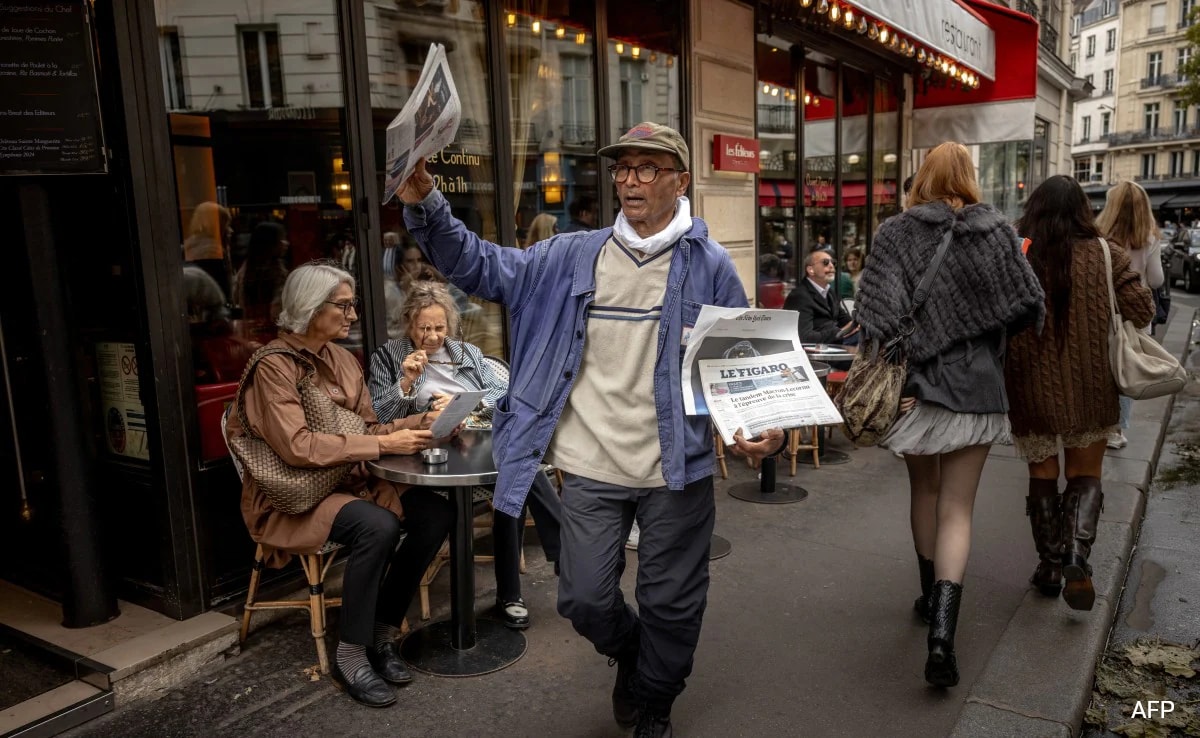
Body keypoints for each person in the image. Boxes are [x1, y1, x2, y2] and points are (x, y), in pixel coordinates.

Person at [396, 121, 783, 737]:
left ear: (681, 181)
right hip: (592, 465)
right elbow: (480, 266)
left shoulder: (711, 266)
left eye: (648, 168)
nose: (630, 179)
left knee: (671, 603)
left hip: (674, 470)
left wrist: (763, 431)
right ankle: (633, 653)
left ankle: (654, 700)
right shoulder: (571, 254)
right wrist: (427, 203)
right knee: (581, 596)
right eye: (622, 168)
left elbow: (746, 370)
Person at [854, 142, 1045, 688]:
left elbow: (878, 317)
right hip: (979, 387)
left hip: (919, 388)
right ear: (969, 178)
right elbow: (1027, 308)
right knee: (959, 509)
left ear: (923, 177)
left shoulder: (897, 232)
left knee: (925, 494)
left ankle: (925, 596)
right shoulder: (1000, 236)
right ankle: (943, 635)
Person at [227, 262, 454, 708]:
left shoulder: (344, 359)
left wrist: (422, 422)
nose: (352, 315)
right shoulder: (273, 367)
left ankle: (382, 632)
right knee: (378, 527)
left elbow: (371, 426)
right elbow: (296, 446)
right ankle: (350, 655)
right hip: (295, 494)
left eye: (352, 306)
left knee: (437, 514)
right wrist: (385, 442)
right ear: (311, 308)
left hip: (348, 480)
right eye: (344, 306)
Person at [368, 281, 563, 629]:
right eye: (423, 327)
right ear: (409, 324)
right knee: (516, 470)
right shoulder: (388, 356)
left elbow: (506, 394)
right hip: (424, 450)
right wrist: (410, 387)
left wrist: (469, 406)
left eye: (439, 327)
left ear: (450, 325)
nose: (432, 336)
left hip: (475, 442)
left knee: (515, 475)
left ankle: (512, 594)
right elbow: (379, 415)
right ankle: (564, 552)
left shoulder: (468, 354)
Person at [1007, 176, 1153, 611]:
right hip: (1091, 384)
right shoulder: (1107, 253)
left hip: (1030, 383)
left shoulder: (1020, 253)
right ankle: (1076, 553)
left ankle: (1050, 567)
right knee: (1085, 475)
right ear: (1082, 211)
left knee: (1042, 476)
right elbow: (1142, 309)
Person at [1094, 181, 1164, 450]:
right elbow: (1156, 281)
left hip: (1105, 312)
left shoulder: (1099, 236)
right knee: (1127, 369)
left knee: (1104, 371)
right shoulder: (1149, 238)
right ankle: (1117, 430)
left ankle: (1101, 424)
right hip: (1136, 316)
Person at [783, 250, 857, 345]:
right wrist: (839, 332)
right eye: (825, 262)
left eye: (833, 262)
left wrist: (855, 325)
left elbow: (844, 319)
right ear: (811, 270)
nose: (831, 266)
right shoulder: (799, 296)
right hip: (820, 352)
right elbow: (804, 337)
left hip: (837, 345)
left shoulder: (829, 291)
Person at [232, 222, 290, 330]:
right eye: (282, 239)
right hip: (271, 330)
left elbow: (236, 298)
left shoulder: (246, 268)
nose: (286, 243)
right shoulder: (277, 271)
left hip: (249, 328)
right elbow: (277, 310)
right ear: (270, 244)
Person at [183, 201, 234, 294]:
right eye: (226, 226)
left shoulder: (188, 248)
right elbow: (222, 289)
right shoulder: (213, 252)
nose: (230, 230)